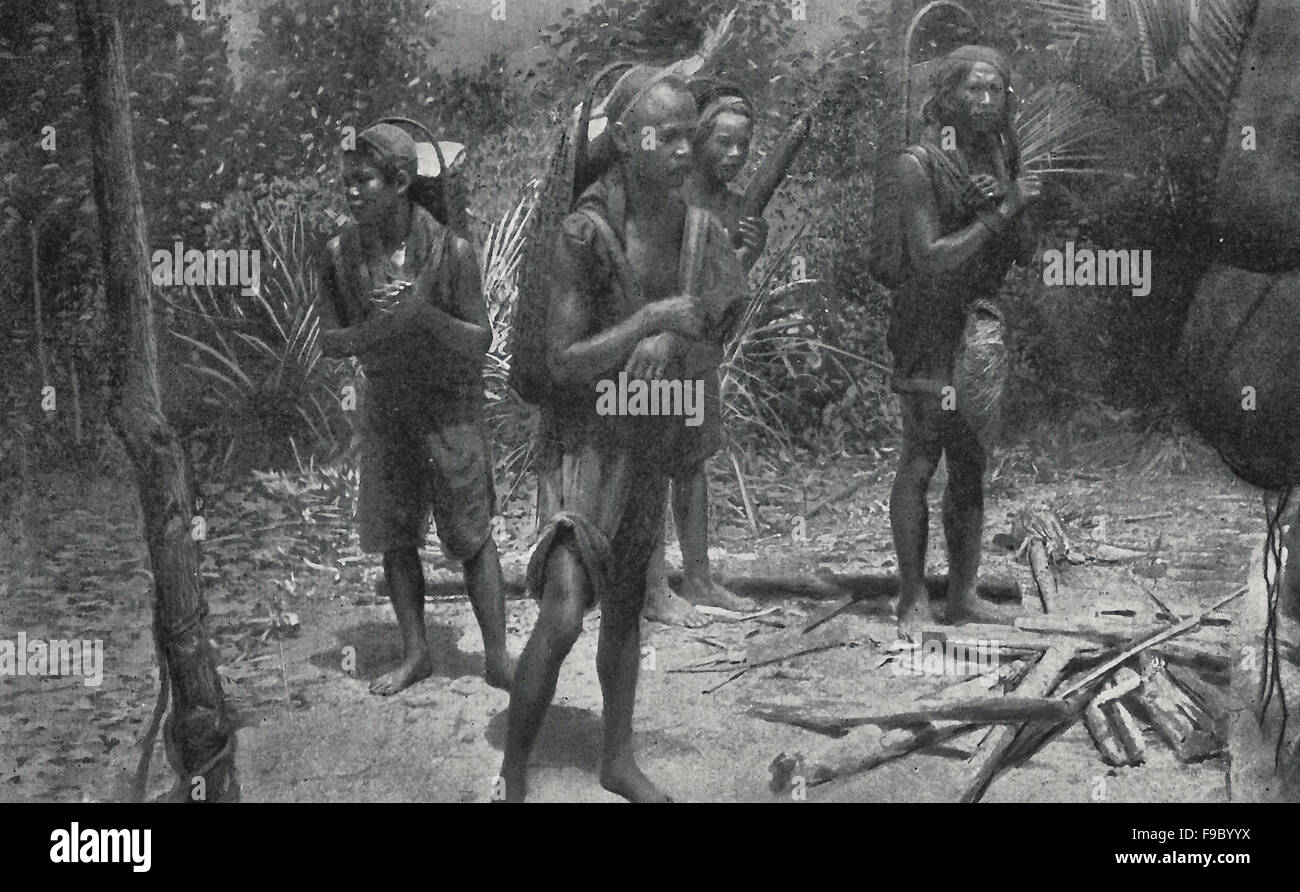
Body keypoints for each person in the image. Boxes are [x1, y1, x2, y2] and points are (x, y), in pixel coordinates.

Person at [500, 66, 744, 801]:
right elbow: (562, 362)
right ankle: (512, 772)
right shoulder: (584, 233)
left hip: (648, 441)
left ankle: (616, 757)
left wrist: (675, 338)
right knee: (567, 611)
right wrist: (648, 320)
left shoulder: (697, 225)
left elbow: (719, 312)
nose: (680, 149)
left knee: (628, 612)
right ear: (625, 141)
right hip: (583, 445)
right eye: (663, 135)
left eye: (686, 135)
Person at [316, 123, 513, 694]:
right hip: (387, 407)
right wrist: (376, 327)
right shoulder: (339, 255)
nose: (351, 193)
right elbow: (331, 340)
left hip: (450, 407)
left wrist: (419, 313)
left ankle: (497, 657)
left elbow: (480, 339)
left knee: (472, 534)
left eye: (364, 181)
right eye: (346, 182)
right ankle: (416, 653)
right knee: (396, 535)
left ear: (400, 181)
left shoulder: (451, 251)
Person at [888, 46, 1039, 640]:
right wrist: (995, 217)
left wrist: (1010, 201)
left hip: (978, 327)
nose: (983, 101)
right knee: (922, 457)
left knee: (971, 463)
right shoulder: (917, 164)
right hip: (928, 327)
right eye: (972, 90)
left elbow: (1025, 252)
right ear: (947, 97)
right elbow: (929, 260)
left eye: (994, 91)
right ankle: (910, 598)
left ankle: (964, 594)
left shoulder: (1002, 157)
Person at [643, 83, 768, 627]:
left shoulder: (735, 206)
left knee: (690, 464)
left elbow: (723, 287)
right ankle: (651, 589)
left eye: (743, 146)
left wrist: (748, 251)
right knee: (649, 466)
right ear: (698, 141)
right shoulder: (675, 196)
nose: (734, 155)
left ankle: (696, 578)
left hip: (698, 356)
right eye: (723, 142)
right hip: (654, 354)